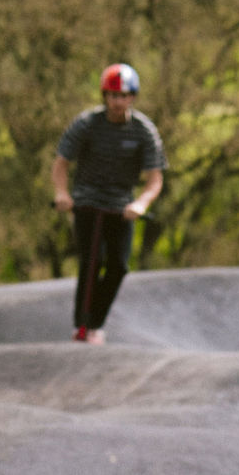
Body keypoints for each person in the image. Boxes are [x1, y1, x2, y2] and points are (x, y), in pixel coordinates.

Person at [51, 63, 165, 343]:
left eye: (123, 96)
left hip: (122, 207)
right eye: (113, 95)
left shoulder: (143, 131)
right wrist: (62, 193)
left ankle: (96, 324)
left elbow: (155, 179)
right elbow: (61, 162)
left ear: (132, 97)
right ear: (105, 96)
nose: (117, 102)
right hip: (87, 202)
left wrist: (141, 204)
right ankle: (81, 326)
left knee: (119, 266)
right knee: (92, 261)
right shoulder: (86, 124)